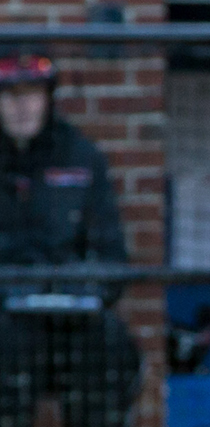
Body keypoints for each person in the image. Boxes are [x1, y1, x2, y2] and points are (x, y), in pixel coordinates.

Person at [0, 54, 140, 427]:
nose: (21, 106)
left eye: (31, 93)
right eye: (10, 94)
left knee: (111, 347)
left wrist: (75, 286)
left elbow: (112, 255)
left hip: (71, 318)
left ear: (48, 97)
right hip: (5, 318)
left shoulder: (81, 157)